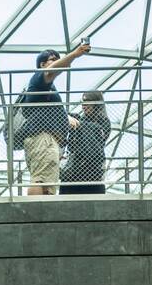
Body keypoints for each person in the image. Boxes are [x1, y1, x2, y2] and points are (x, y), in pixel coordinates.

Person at [19, 43, 90, 196]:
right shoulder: (39, 78)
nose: (58, 61)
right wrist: (74, 55)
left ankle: (44, 216)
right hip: (42, 139)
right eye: (53, 59)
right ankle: (33, 214)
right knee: (40, 179)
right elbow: (52, 71)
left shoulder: (47, 88)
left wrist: (66, 116)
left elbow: (51, 109)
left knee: (48, 185)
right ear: (42, 65)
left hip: (49, 141)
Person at [60, 90, 111, 195]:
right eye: (83, 102)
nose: (84, 105)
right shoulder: (80, 118)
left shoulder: (104, 122)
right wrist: (68, 117)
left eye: (87, 102)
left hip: (92, 170)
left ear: (96, 103)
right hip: (74, 169)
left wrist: (78, 124)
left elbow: (97, 137)